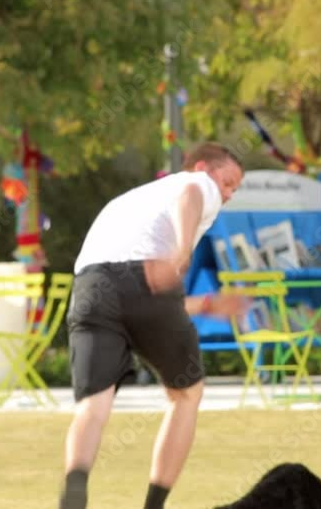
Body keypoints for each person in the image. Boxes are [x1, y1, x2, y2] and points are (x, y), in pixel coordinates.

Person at [59, 142, 251, 509]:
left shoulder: (129, 203)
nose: (228, 195)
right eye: (228, 183)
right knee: (186, 396)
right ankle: (154, 505)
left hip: (89, 288)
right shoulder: (195, 184)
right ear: (204, 168)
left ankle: (75, 489)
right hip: (140, 284)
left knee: (94, 405)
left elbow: (134, 286)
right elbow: (191, 195)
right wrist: (182, 254)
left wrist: (206, 304)